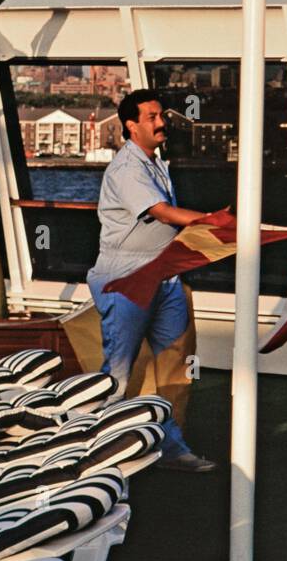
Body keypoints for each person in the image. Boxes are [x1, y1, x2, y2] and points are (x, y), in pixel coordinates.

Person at [87, 88, 216, 471]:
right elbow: (161, 212)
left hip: (164, 274)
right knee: (120, 369)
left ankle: (170, 450)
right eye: (152, 117)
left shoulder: (154, 162)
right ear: (131, 125)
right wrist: (212, 221)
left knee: (174, 365)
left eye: (162, 116)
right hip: (126, 276)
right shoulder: (127, 168)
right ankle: (98, 452)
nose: (162, 123)